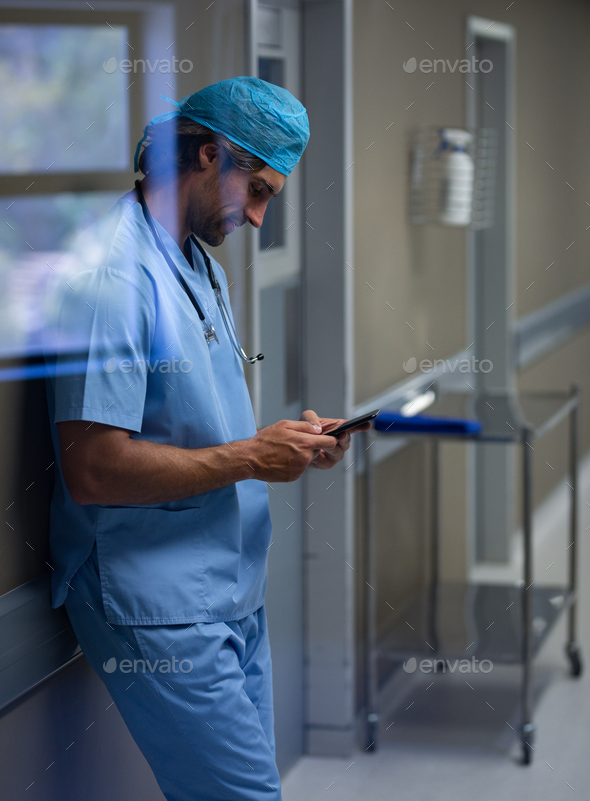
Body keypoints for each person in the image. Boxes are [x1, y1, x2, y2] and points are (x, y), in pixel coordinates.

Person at [44, 77, 369, 801]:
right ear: (207, 153)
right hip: (155, 599)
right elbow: (94, 468)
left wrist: (286, 442)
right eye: (254, 190)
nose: (256, 216)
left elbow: (193, 426)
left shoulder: (195, 263)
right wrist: (255, 455)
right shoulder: (112, 274)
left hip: (229, 585)